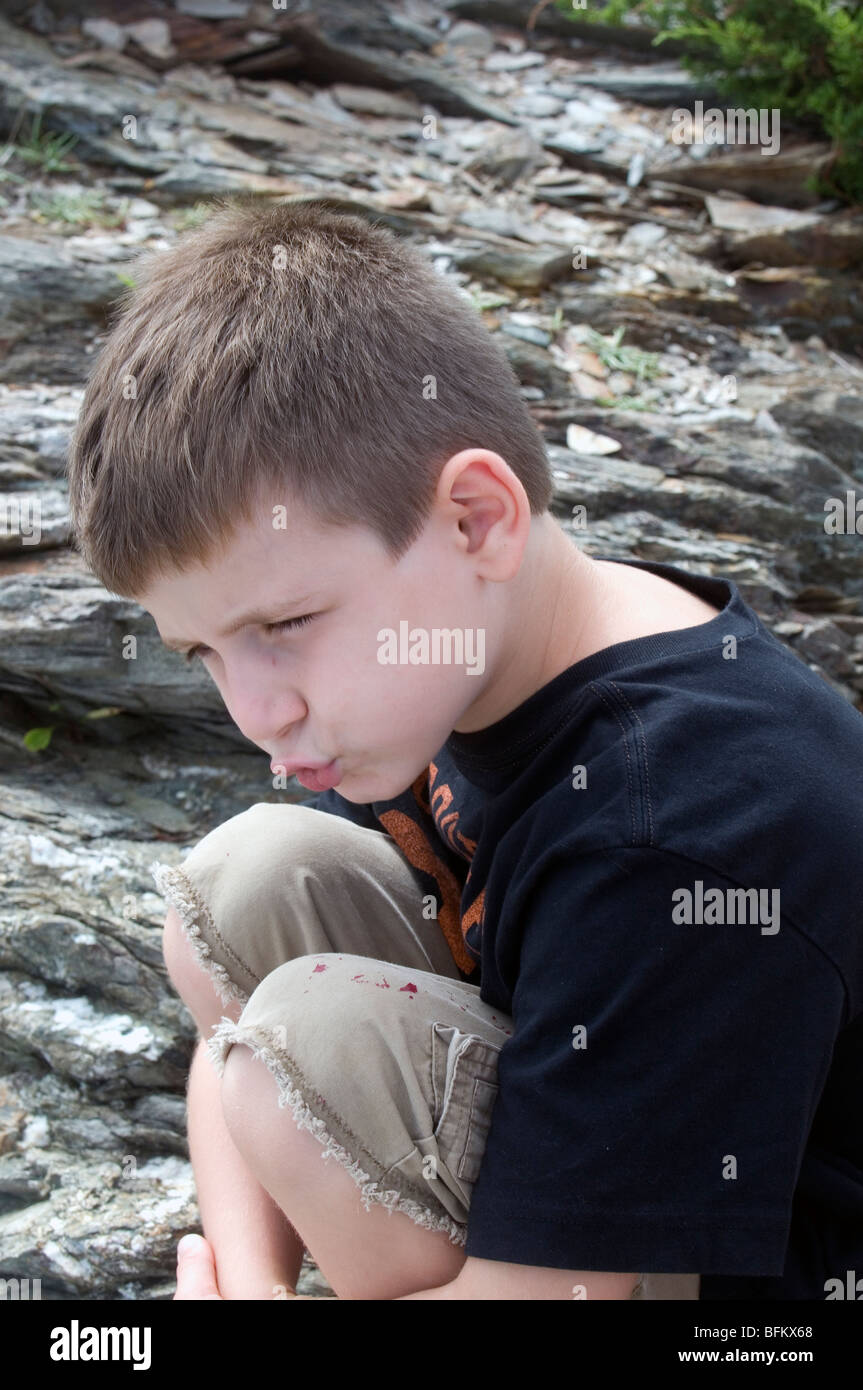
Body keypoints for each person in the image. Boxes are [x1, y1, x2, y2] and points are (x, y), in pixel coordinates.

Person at [66, 197, 863, 1301]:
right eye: (204, 650)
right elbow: (229, 1036)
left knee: (312, 1041)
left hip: (728, 1288)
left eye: (283, 626)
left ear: (474, 518)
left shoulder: (679, 826)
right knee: (239, 886)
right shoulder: (461, 655)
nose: (256, 712)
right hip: (581, 1160)